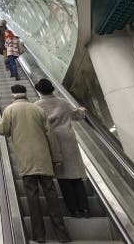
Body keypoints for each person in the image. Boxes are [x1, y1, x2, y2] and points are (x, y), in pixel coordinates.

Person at [0, 85, 70, 243]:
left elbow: (3, 130)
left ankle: (39, 235)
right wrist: (56, 157)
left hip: (26, 162)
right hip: (44, 160)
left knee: (32, 198)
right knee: (51, 195)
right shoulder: (37, 109)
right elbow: (50, 135)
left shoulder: (9, 110)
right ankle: (63, 235)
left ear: (13, 95)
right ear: (25, 94)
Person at [34, 78, 90, 218]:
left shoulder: (37, 106)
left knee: (63, 177)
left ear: (39, 91)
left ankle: (74, 210)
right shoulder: (63, 102)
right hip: (69, 139)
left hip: (53, 141)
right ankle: (85, 209)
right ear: (52, 88)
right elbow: (77, 115)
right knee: (76, 176)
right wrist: (82, 110)